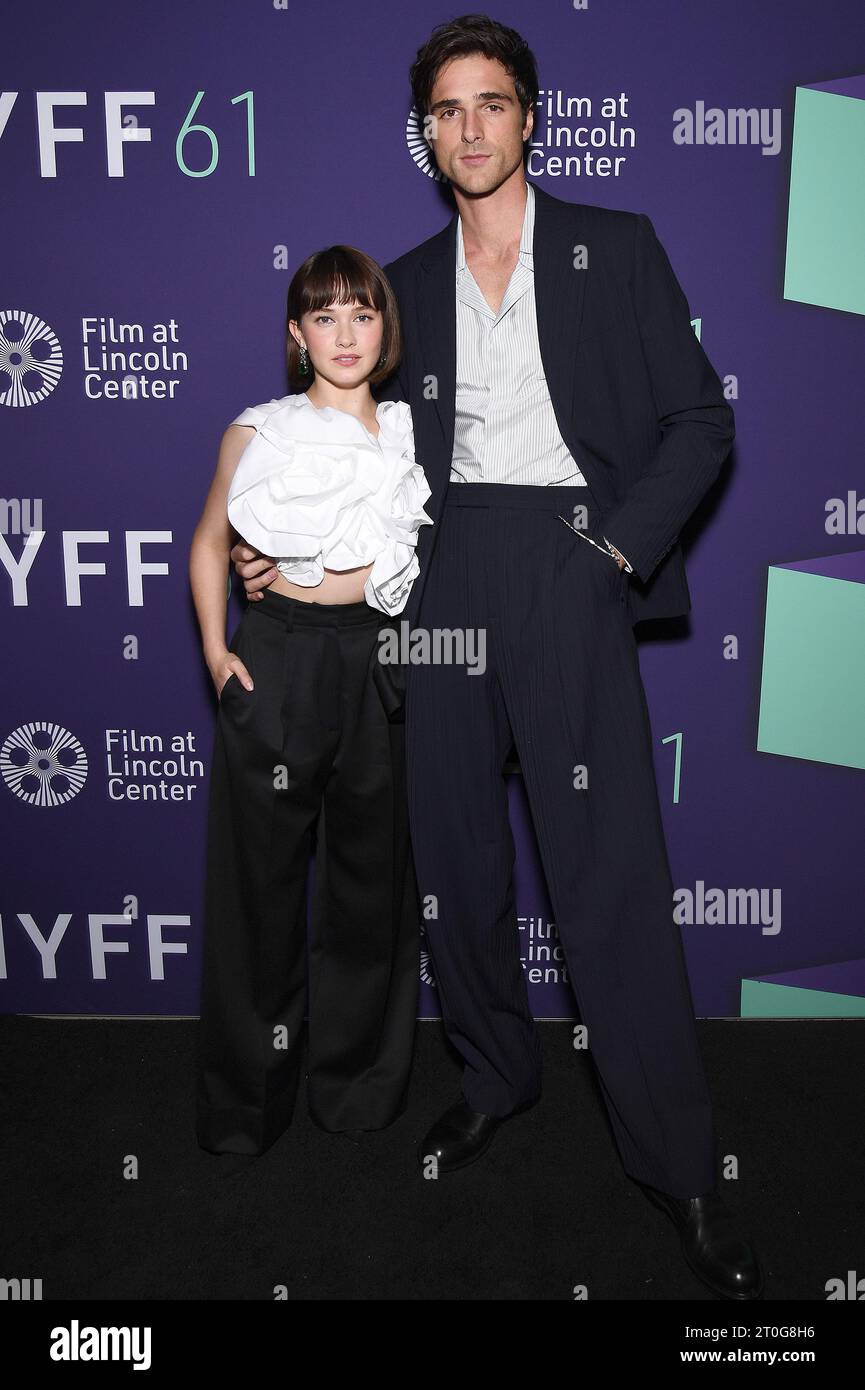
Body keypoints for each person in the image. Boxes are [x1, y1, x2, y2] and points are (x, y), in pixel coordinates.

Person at [230, 15, 764, 1299]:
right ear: (426, 132)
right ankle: (494, 1075)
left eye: (490, 103)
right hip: (442, 571)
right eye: (446, 109)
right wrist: (279, 554)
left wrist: (614, 552)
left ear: (529, 116)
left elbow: (700, 420)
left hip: (571, 560)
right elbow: (343, 443)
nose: (469, 127)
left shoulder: (614, 247)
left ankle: (678, 1163)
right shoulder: (403, 283)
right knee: (457, 856)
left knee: (607, 873)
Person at [189, 244, 432, 1161]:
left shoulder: (415, 434)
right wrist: (216, 652)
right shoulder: (260, 431)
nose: (345, 334)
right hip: (281, 655)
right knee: (258, 890)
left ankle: (356, 1090)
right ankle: (244, 1105)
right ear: (296, 334)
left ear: (384, 327)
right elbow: (209, 540)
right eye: (324, 316)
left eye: (361, 314)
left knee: (371, 889)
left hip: (381, 660)